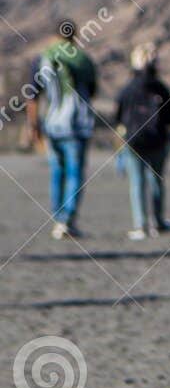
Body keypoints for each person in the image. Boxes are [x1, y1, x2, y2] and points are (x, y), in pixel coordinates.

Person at [26, 23, 99, 240]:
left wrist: (33, 126)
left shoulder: (42, 58)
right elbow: (92, 92)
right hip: (77, 124)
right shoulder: (84, 60)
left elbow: (32, 96)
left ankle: (58, 219)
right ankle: (68, 220)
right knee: (75, 173)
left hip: (52, 123)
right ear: (74, 36)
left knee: (57, 172)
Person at [114, 43, 170, 240]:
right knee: (156, 181)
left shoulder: (127, 89)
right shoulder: (161, 88)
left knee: (137, 183)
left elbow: (118, 117)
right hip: (158, 140)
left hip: (133, 141)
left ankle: (140, 225)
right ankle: (157, 221)